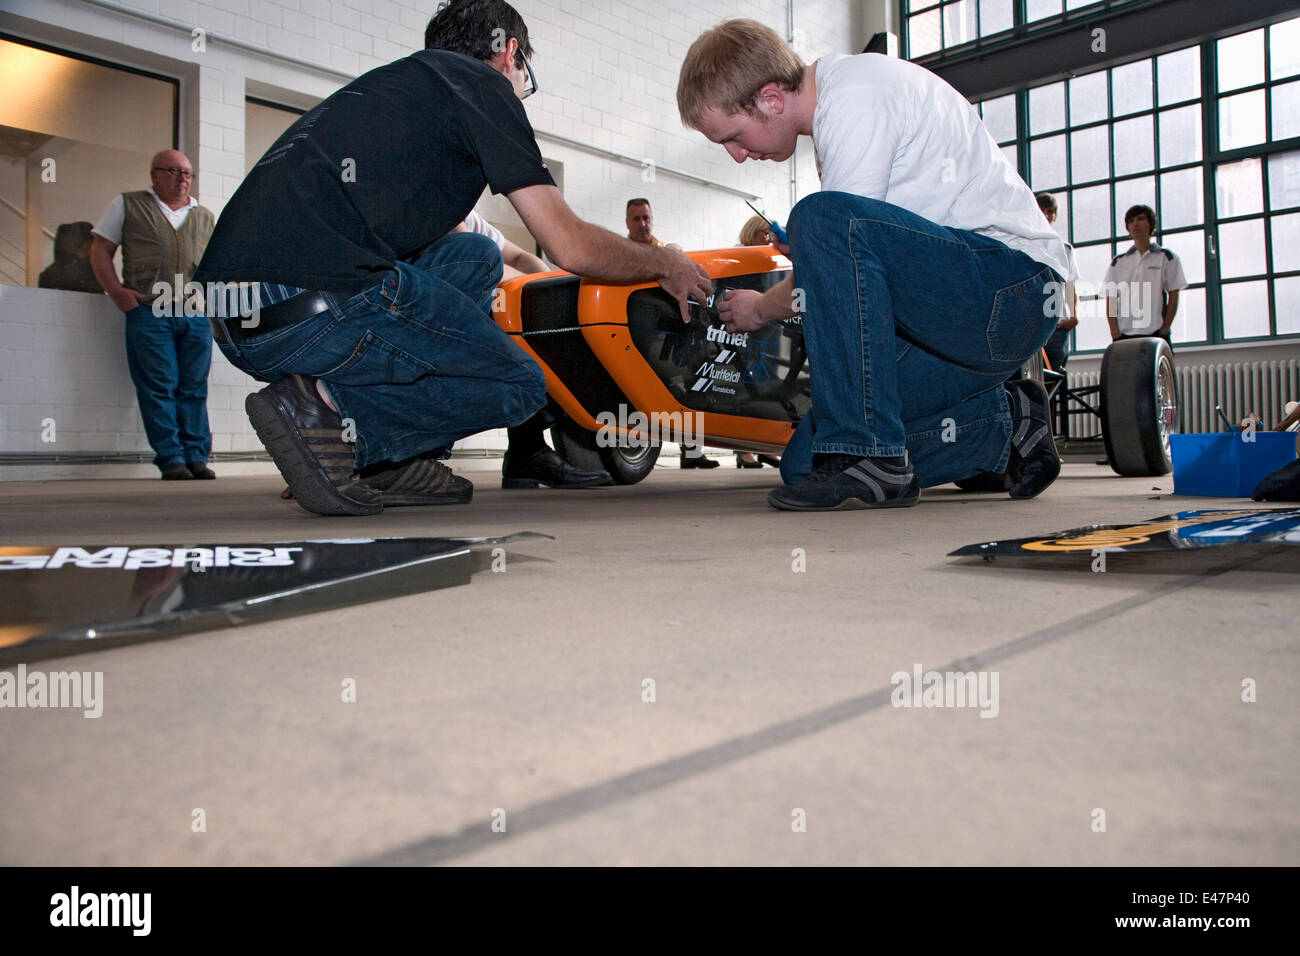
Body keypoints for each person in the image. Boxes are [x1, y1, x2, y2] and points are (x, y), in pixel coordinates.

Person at [194, 0, 710, 516]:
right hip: (312, 303)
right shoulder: (480, 85)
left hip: (238, 317)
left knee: (473, 257)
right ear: (509, 53)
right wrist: (665, 262)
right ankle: (330, 421)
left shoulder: (390, 89)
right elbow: (568, 244)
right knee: (519, 384)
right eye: (524, 74)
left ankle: (387, 459)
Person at [677, 19, 1069, 510]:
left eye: (733, 137)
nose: (737, 156)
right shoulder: (835, 117)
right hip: (951, 324)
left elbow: (835, 237)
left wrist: (760, 309)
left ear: (772, 99)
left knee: (818, 218)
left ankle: (872, 456)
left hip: (1012, 294)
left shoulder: (856, 97)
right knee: (808, 464)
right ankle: (1005, 424)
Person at [457, 210, 612, 489]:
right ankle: (527, 450)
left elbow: (518, 257)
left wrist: (559, 290)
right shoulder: (438, 198)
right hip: (425, 307)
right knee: (530, 323)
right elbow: (478, 263)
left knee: (546, 317)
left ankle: (526, 451)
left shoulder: (471, 214)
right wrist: (545, 295)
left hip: (463, 302)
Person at [90, 150, 217, 481]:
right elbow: (101, 250)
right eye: (173, 171)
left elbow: (215, 265)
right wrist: (116, 291)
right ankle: (171, 457)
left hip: (194, 313)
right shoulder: (127, 205)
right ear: (155, 174)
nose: (182, 179)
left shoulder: (204, 216)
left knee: (193, 386)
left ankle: (196, 456)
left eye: (187, 173)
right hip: (149, 311)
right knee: (158, 385)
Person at [625, 196, 717, 469]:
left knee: (685, 382)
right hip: (631, 333)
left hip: (665, 334)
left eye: (646, 217)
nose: (643, 223)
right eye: (636, 218)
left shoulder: (668, 253)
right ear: (627, 222)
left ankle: (691, 452)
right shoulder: (621, 254)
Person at [734, 214, 782, 470]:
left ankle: (765, 447)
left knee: (766, 385)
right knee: (744, 385)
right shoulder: (740, 258)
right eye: (763, 232)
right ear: (751, 231)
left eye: (770, 233)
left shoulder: (770, 259)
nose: (767, 237)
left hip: (768, 329)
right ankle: (743, 451)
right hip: (745, 330)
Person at [1104, 204, 1186, 346]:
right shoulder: (1118, 262)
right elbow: (1110, 298)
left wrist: (1165, 328)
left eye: (1140, 219)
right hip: (1124, 335)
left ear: (1151, 224)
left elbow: (1174, 294)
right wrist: (1115, 333)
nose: (1135, 224)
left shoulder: (1167, 257)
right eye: (1131, 221)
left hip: (1156, 334)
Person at [1034, 193, 1078, 372]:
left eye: (1050, 211)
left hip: (1058, 326)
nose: (1046, 214)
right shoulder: (1022, 245)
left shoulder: (1065, 249)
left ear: (1055, 215)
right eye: (1042, 210)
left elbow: (1070, 285)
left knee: (1055, 377)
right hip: (1033, 325)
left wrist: (1073, 316)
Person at [39, 222, 103, 294]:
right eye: (95, 241)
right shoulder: (88, 272)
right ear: (87, 243)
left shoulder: (49, 273)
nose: (96, 246)